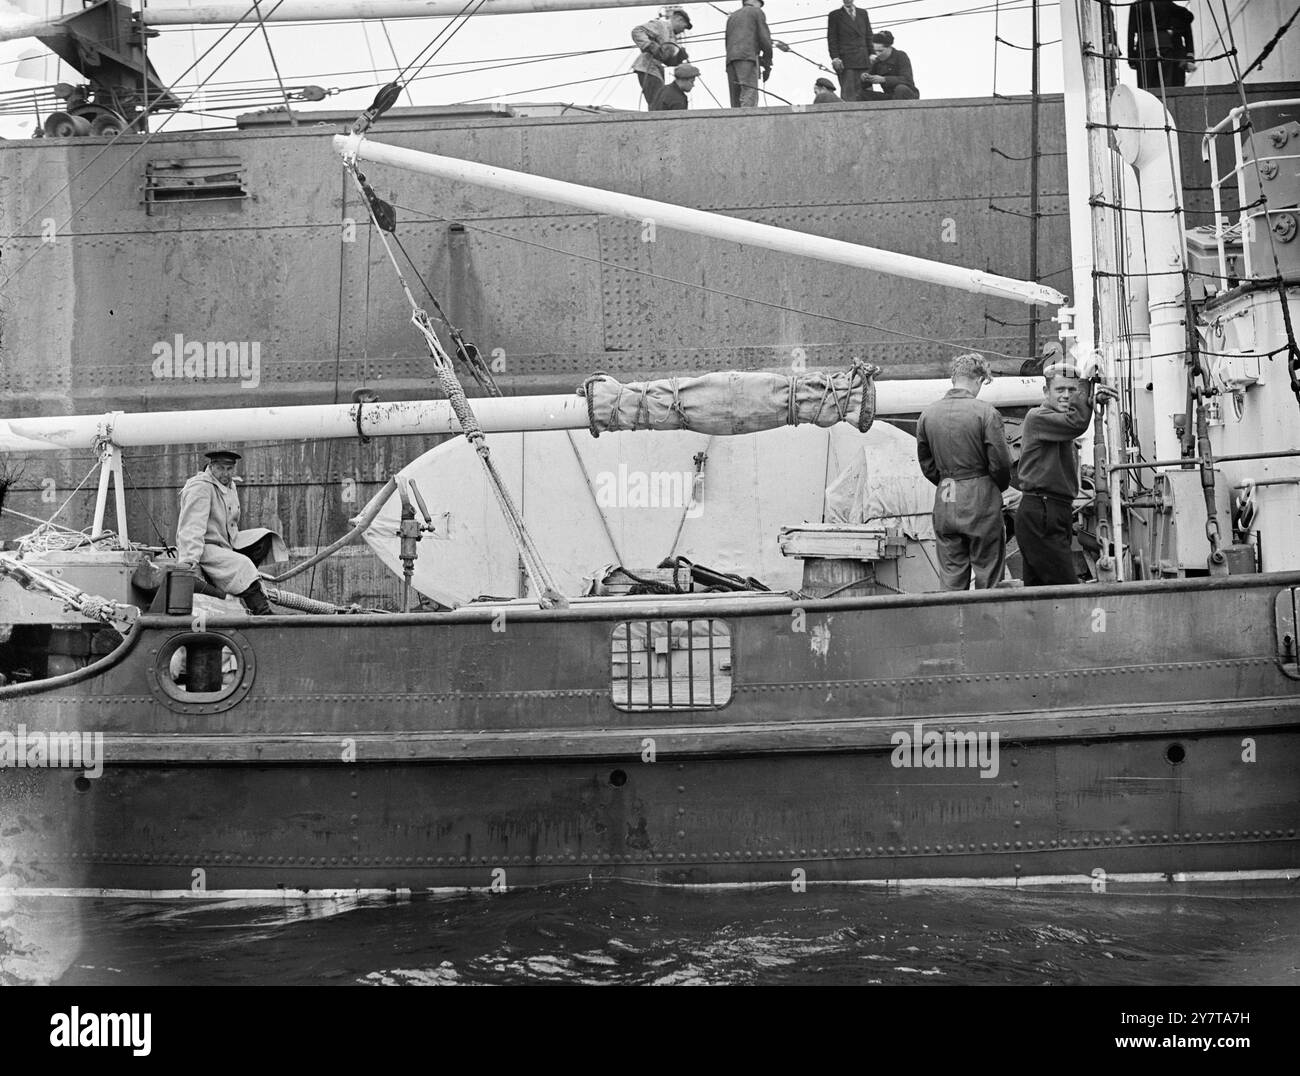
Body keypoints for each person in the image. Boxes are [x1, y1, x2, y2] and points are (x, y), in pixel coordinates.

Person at [1015, 361, 1118, 586]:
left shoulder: (1055, 424)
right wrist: (1085, 386)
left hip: (1052, 511)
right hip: (1042, 512)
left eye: (1072, 391)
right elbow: (1076, 422)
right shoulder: (1038, 417)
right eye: (1060, 390)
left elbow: (1072, 419)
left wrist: (1090, 398)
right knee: (1065, 588)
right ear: (1046, 392)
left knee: (1039, 591)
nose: (1066, 396)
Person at [916, 353, 1013, 591]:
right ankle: (986, 627)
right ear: (980, 380)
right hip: (981, 501)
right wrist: (992, 487)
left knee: (950, 579)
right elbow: (1001, 464)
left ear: (954, 378)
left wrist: (948, 479)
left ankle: (952, 625)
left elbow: (927, 464)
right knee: (988, 576)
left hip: (945, 502)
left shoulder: (927, 414)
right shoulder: (986, 413)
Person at [175, 448, 287, 615]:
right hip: (206, 547)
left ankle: (241, 585)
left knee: (265, 538)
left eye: (229, 469)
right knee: (243, 565)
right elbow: (191, 526)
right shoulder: (201, 487)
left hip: (226, 542)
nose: (225, 474)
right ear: (211, 467)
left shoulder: (229, 485)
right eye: (220, 469)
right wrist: (190, 559)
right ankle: (262, 612)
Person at [631, 7, 693, 109]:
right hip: (648, 68)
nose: (683, 30)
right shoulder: (661, 25)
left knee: (659, 99)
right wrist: (650, 45)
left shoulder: (672, 38)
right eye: (684, 26)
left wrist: (679, 58)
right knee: (657, 101)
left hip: (656, 70)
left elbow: (665, 59)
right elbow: (637, 31)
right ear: (679, 19)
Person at [1127, 1, 1195, 90]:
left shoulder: (1136, 5)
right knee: (1167, 83)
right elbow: (1189, 16)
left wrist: (1131, 58)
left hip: (1145, 47)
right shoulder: (1166, 3)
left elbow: (1131, 33)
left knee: (1146, 87)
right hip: (1165, 45)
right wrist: (1174, 30)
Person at [725, 0, 774, 109]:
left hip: (730, 61)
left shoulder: (732, 17)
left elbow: (728, 41)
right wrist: (767, 63)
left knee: (736, 101)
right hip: (747, 58)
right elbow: (765, 40)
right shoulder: (756, 12)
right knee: (749, 96)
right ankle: (748, 124)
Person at [826, 1, 873, 103]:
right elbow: (832, 38)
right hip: (846, 61)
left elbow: (869, 35)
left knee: (867, 94)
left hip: (864, 60)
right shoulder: (835, 15)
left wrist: (872, 53)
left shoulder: (863, 13)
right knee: (849, 94)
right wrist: (835, 57)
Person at [861, 30, 918, 100]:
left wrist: (884, 79)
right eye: (875, 51)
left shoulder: (901, 56)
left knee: (900, 89)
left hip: (907, 94)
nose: (877, 54)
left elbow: (907, 79)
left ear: (889, 47)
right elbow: (864, 85)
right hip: (890, 96)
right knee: (861, 94)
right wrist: (865, 78)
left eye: (880, 51)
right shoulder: (877, 61)